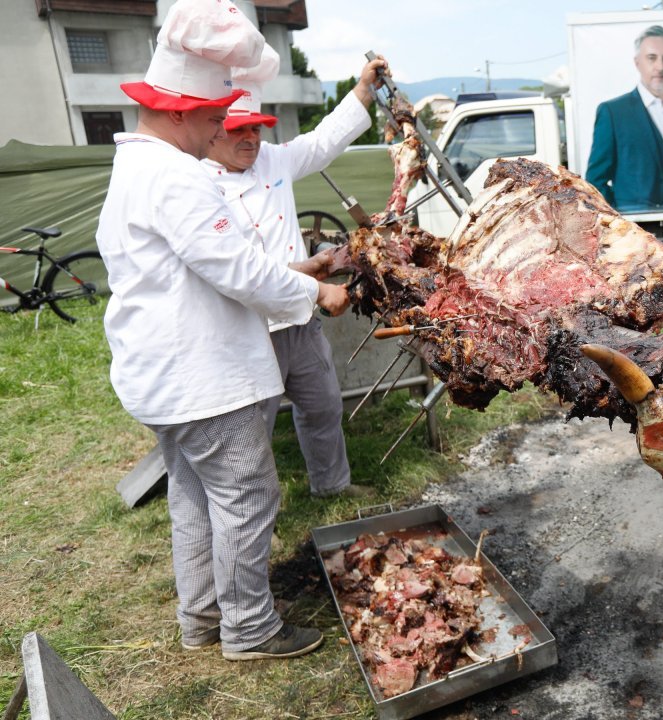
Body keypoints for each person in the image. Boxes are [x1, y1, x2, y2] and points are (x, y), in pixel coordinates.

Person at [96, 0, 349, 661]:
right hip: (203, 378)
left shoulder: (134, 165)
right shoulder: (174, 175)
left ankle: (202, 617)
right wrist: (317, 289)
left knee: (193, 497)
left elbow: (208, 266)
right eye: (214, 118)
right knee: (246, 495)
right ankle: (250, 628)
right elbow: (235, 268)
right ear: (180, 111)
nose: (220, 131)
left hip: (161, 376)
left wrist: (294, 271)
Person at [203, 48, 386, 499]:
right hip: (247, 328)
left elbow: (323, 141)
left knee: (323, 406)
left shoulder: (273, 160)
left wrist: (363, 89)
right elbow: (239, 271)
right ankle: (252, 509)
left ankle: (332, 485)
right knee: (252, 428)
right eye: (238, 130)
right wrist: (315, 280)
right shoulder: (197, 185)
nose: (250, 138)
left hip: (299, 320)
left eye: (256, 128)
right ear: (213, 132)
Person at [585, 25, 663, 212]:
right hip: (638, 224)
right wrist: (619, 217)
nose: (661, 66)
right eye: (652, 58)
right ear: (637, 62)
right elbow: (595, 181)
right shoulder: (613, 112)